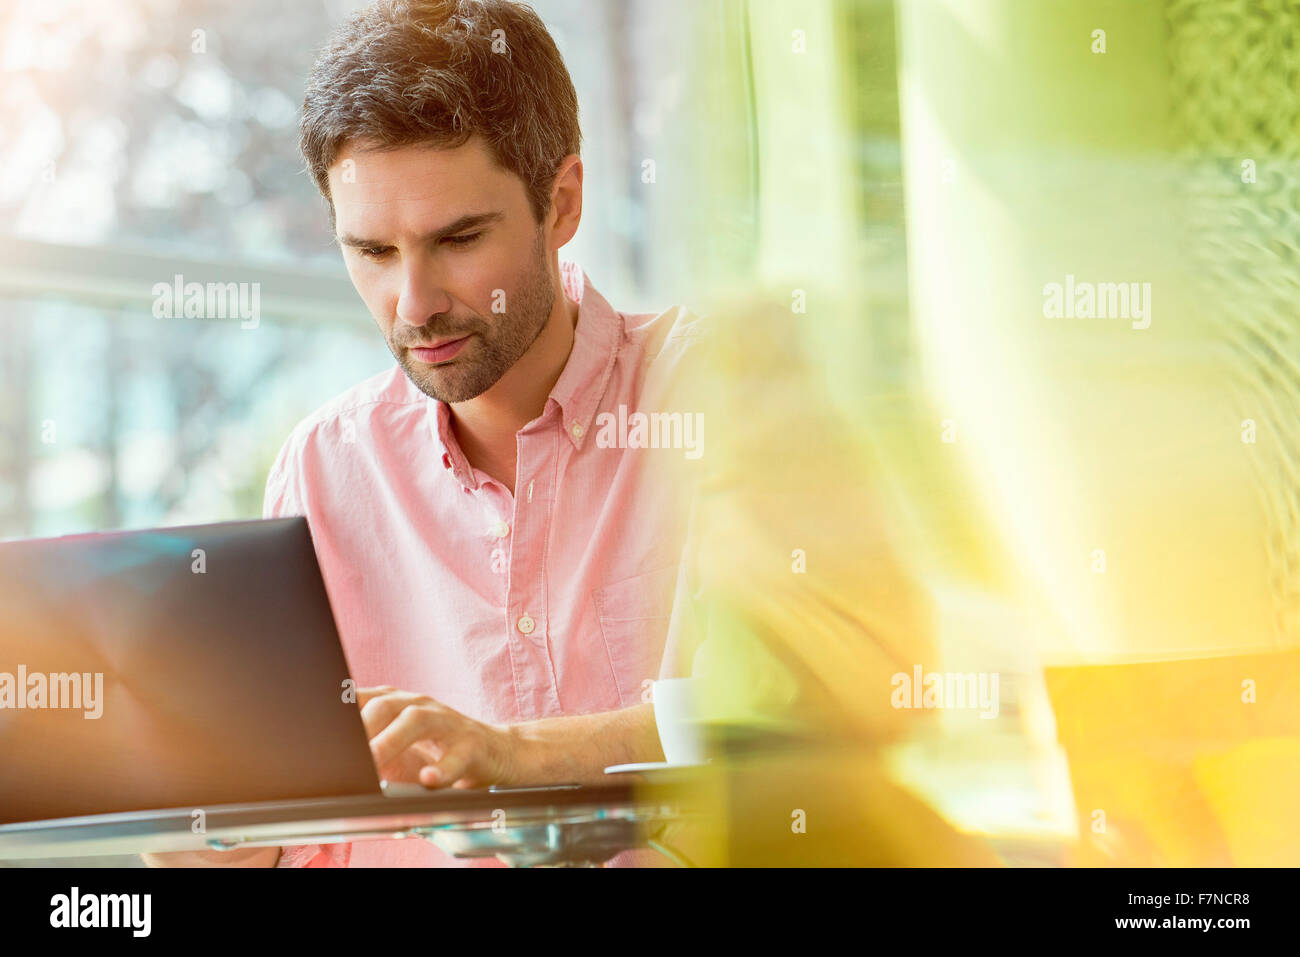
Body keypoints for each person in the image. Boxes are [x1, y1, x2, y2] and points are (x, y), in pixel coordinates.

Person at [145, 0, 703, 868]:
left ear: (561, 204)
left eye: (459, 238)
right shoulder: (323, 470)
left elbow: (778, 717)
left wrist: (511, 757)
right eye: (371, 252)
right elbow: (266, 843)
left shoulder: (708, 398)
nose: (414, 305)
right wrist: (192, 820)